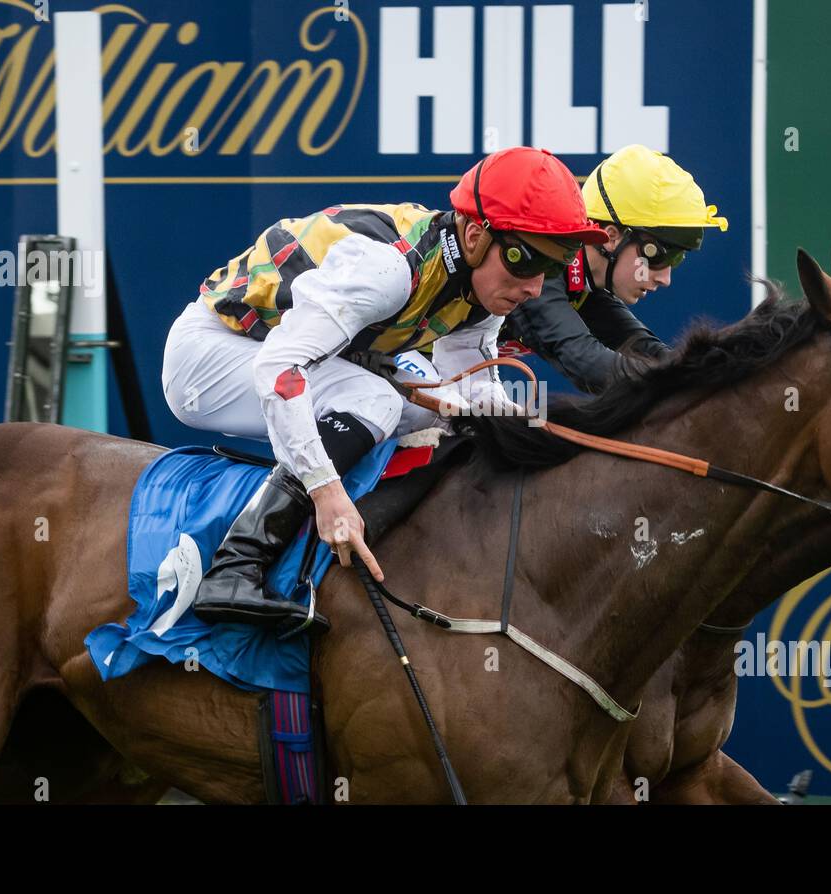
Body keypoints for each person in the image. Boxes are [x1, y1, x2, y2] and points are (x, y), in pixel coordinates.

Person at [160, 147, 608, 633]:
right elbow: (280, 368)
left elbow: (476, 397)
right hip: (209, 356)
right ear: (476, 237)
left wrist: (553, 439)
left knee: (437, 414)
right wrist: (327, 492)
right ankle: (236, 566)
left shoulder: (480, 287)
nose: (536, 288)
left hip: (287, 351)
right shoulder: (388, 272)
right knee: (375, 401)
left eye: (555, 265)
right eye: (526, 261)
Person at [498, 144, 728, 394]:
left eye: (677, 259)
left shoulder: (582, 281)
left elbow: (645, 350)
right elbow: (585, 360)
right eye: (659, 255)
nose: (665, 278)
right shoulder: (541, 269)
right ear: (610, 237)